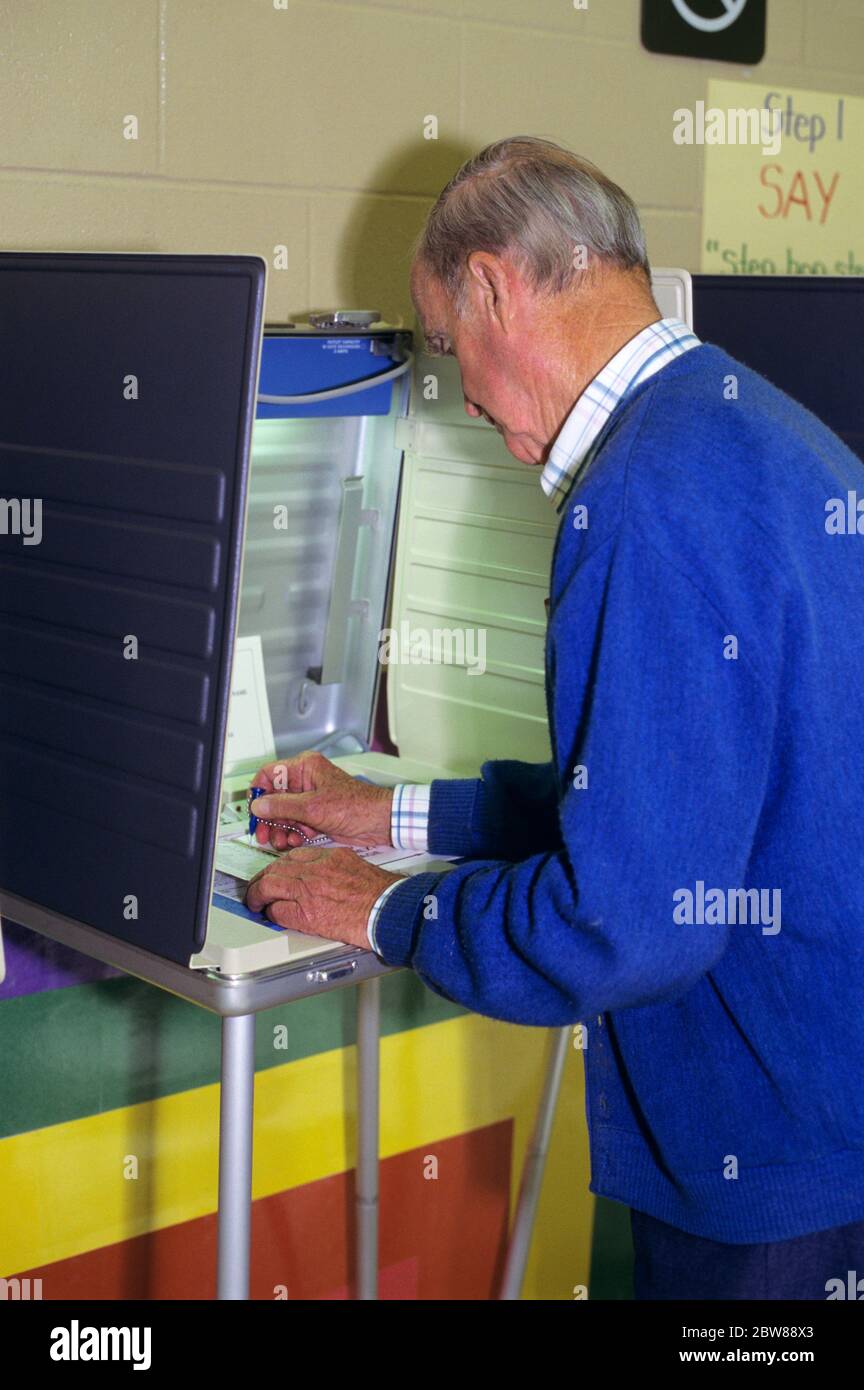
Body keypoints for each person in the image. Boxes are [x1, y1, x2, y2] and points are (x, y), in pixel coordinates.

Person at [245, 137, 864, 1300]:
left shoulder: (642, 497)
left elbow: (625, 920)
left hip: (770, 1174)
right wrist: (400, 812)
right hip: (829, 1110)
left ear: (490, 287)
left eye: (445, 349)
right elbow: (673, 806)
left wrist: (381, 906)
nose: (467, 397)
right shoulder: (755, 432)